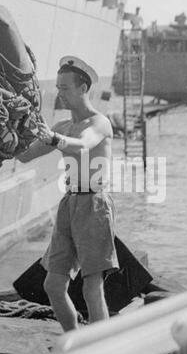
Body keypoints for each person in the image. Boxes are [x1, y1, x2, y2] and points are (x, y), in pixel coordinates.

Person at [15, 56, 117, 331]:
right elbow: (25, 156)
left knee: (91, 287)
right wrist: (7, 135)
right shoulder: (61, 127)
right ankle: (74, 341)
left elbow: (83, 146)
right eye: (58, 87)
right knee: (53, 285)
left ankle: (98, 350)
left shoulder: (99, 123)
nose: (60, 93)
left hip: (94, 204)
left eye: (66, 88)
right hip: (69, 204)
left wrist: (50, 137)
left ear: (83, 88)